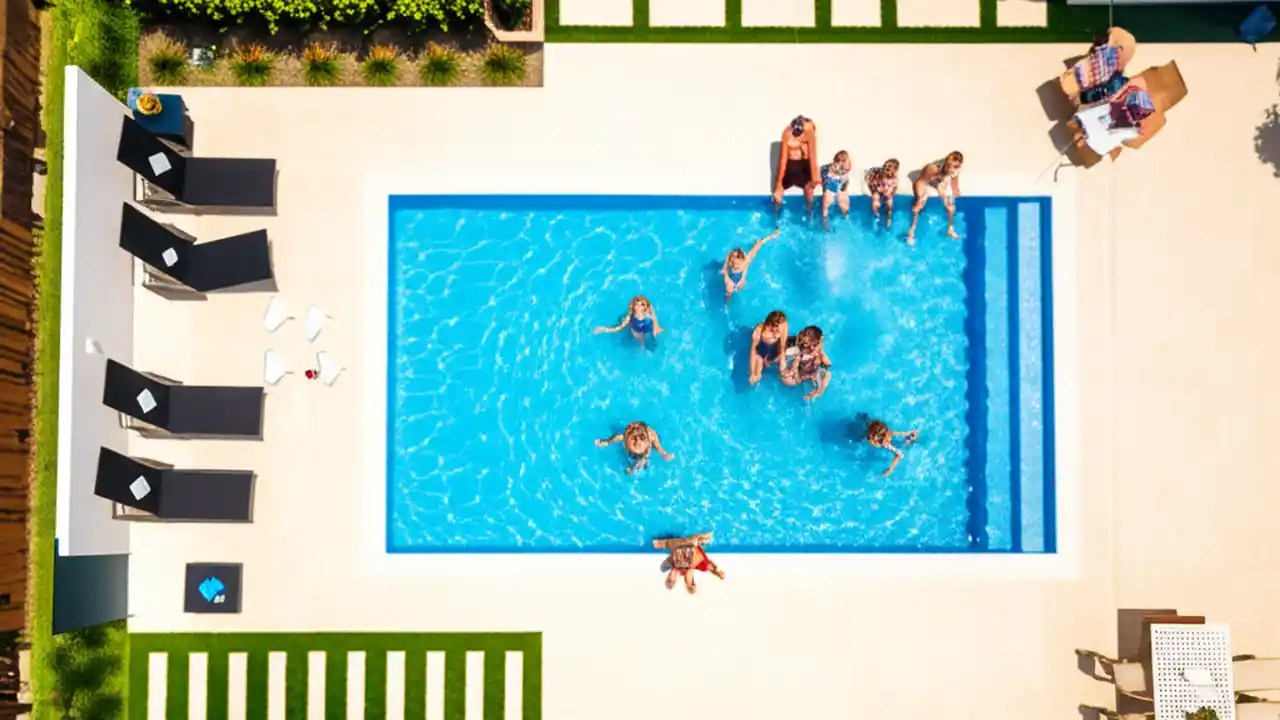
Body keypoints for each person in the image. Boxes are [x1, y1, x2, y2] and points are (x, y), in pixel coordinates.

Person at [906, 151, 964, 245]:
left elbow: (955, 189)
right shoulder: (932, 168)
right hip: (927, 181)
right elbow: (920, 182)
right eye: (950, 167)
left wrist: (951, 199)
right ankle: (911, 231)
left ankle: (950, 229)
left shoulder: (954, 172)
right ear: (946, 164)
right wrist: (921, 197)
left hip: (940, 182)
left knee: (951, 206)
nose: (952, 170)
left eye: (956, 167)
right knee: (919, 204)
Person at [772, 116, 819, 211]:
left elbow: (813, 158)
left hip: (804, 167)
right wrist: (778, 183)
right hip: (791, 166)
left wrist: (814, 178)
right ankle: (775, 219)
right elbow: (783, 158)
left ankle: (810, 215)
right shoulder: (787, 134)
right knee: (777, 195)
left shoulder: (810, 134)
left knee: (810, 194)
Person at [653, 533, 724, 594]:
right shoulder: (702, 566)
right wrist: (718, 573)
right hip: (696, 541)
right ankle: (665, 544)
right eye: (688, 581)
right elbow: (698, 556)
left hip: (686, 547)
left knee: (664, 568)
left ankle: (665, 545)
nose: (686, 579)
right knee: (693, 543)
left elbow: (678, 556)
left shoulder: (682, 568)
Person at [721, 229, 780, 302]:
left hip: (740, 273)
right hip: (730, 274)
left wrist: (773, 235)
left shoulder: (746, 260)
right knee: (729, 290)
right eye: (734, 265)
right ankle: (727, 303)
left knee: (757, 244)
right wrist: (726, 276)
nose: (736, 267)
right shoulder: (729, 259)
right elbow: (726, 266)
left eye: (738, 266)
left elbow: (761, 243)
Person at [596, 421, 673, 474]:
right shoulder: (649, 432)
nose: (635, 431)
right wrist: (663, 454)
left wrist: (606, 442)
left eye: (630, 433)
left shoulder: (622, 437)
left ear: (626, 442)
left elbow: (614, 438)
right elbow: (659, 447)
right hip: (644, 446)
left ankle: (636, 467)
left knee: (640, 461)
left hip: (645, 452)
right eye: (641, 436)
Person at [781, 325, 832, 401]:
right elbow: (795, 364)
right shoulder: (799, 348)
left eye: (814, 345)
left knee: (826, 373)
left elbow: (828, 368)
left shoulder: (818, 349)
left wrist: (819, 392)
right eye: (807, 345)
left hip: (811, 370)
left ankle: (816, 391)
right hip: (801, 369)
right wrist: (795, 374)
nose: (811, 348)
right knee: (786, 379)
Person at [594, 295, 663, 346]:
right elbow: (618, 328)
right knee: (639, 341)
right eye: (636, 305)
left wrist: (656, 326)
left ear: (645, 307)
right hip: (635, 330)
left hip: (645, 326)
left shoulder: (647, 313)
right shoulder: (629, 317)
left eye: (642, 305)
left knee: (652, 338)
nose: (639, 306)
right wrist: (603, 329)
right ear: (633, 306)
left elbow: (651, 308)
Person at [748, 310, 789, 385]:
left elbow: (782, 347)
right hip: (762, 350)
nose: (779, 332)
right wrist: (752, 372)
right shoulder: (759, 330)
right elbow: (753, 350)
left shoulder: (783, 325)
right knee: (756, 374)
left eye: (780, 331)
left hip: (774, 350)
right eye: (777, 330)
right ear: (770, 324)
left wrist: (783, 366)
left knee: (786, 377)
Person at [866, 158, 901, 227]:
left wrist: (890, 192)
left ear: (895, 171)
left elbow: (893, 189)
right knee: (875, 198)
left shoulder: (895, 180)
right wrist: (879, 189)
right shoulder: (880, 176)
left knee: (890, 203)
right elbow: (873, 184)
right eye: (885, 169)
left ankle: (889, 218)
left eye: (889, 170)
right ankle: (876, 214)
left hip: (888, 193)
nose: (886, 172)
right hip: (879, 190)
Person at [820, 150, 853, 219]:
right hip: (829, 180)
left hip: (840, 181)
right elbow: (826, 179)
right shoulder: (829, 169)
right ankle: (824, 216)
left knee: (844, 202)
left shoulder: (846, 169)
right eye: (839, 161)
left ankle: (845, 215)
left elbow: (844, 181)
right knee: (827, 199)